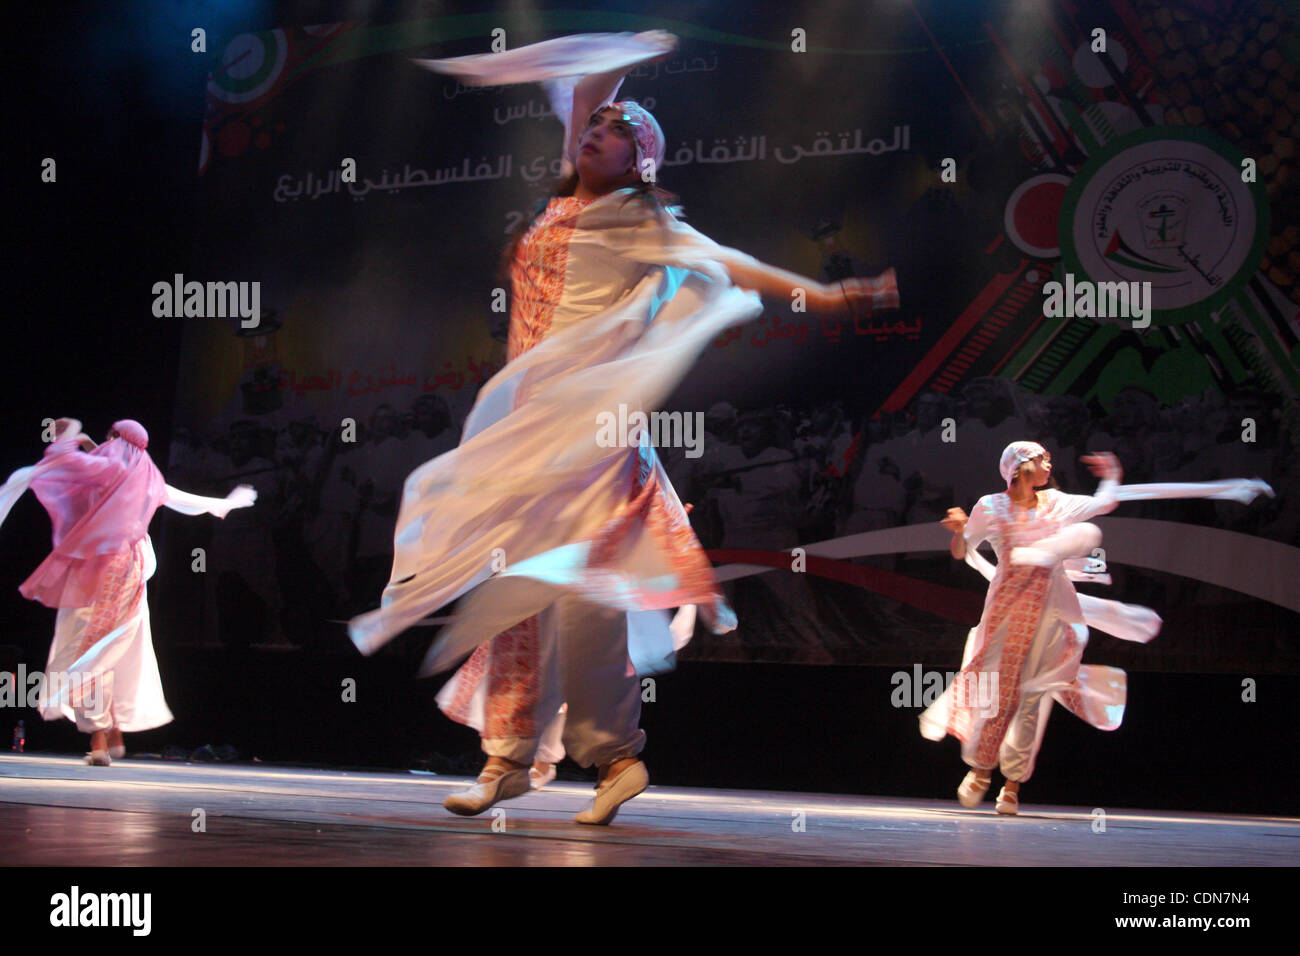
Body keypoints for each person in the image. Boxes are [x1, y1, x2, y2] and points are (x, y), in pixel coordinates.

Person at [349, 31, 898, 824]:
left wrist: (829, 295)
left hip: (596, 432)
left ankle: (610, 755)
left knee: (579, 590)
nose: (593, 129)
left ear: (640, 158)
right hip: (531, 430)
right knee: (518, 589)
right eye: (594, 124)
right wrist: (620, 54)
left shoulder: (644, 222)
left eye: (614, 127)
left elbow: (738, 265)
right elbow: (580, 97)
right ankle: (510, 757)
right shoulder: (560, 206)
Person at [923, 441, 1272, 814]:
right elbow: (963, 551)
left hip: (1050, 607)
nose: (1049, 463)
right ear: (1022, 464)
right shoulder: (989, 506)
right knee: (999, 690)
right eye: (1043, 458)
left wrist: (1113, 477)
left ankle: (1011, 785)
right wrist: (960, 532)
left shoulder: (1056, 502)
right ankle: (981, 769)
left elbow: (1105, 502)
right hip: (1008, 605)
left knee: (1032, 695)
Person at [0, 418, 256, 765]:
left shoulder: (105, 468)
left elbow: (63, 462)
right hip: (132, 570)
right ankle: (112, 731)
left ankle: (100, 740)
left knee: (93, 647)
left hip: (101, 568)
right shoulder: (147, 475)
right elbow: (181, 499)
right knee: (119, 648)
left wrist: (71, 434)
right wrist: (221, 504)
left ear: (115, 438)